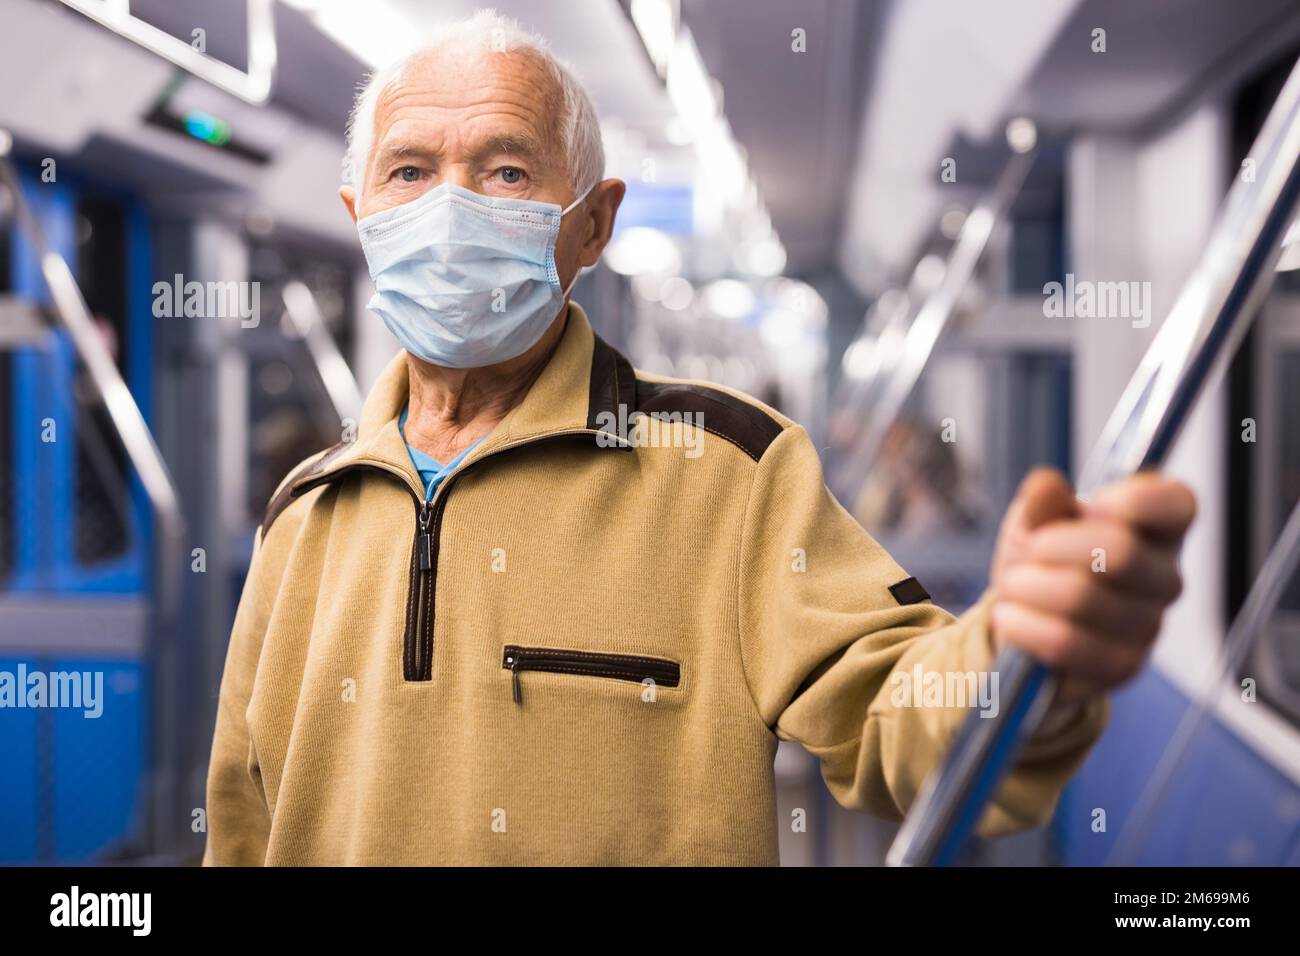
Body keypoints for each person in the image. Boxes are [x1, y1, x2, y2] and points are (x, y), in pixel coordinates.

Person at [203, 11, 1195, 865]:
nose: (450, 208)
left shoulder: (725, 470)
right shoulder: (305, 514)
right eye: (409, 171)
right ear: (360, 215)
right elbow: (242, 817)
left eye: (505, 169)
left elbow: (892, 708)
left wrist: (1017, 656)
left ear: (592, 226)